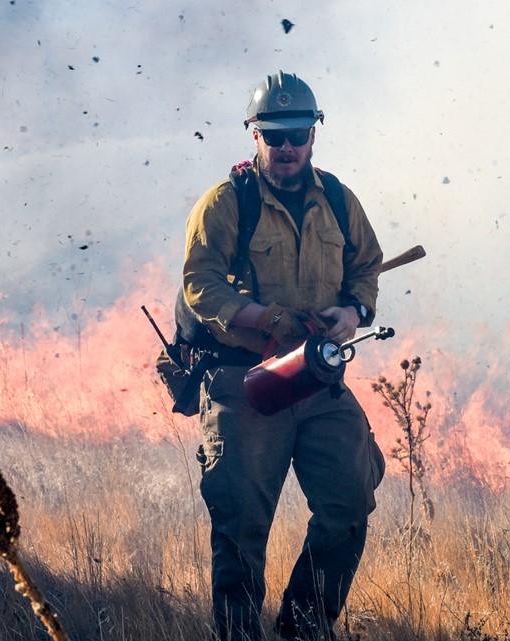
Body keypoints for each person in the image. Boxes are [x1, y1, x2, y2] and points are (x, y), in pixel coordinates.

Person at [182, 71, 385, 641]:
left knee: (349, 504)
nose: (287, 146)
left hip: (317, 381)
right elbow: (200, 284)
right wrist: (263, 318)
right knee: (242, 526)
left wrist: (353, 313)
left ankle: (302, 628)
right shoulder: (225, 204)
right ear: (254, 135)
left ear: (314, 134)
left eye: (298, 133)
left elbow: (366, 267)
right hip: (247, 384)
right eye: (275, 135)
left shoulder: (339, 201)